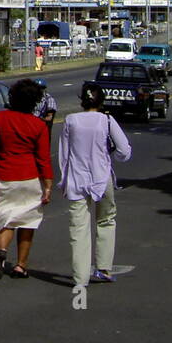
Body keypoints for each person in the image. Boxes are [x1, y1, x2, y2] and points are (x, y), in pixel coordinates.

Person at [58, 85, 132, 287]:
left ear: (82, 100)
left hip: (76, 179)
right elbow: (124, 150)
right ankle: (104, 268)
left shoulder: (70, 120)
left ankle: (80, 278)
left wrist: (64, 181)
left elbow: (64, 155)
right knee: (106, 219)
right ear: (101, 101)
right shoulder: (106, 120)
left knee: (78, 228)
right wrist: (112, 156)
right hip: (102, 177)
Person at [0, 79, 53, 280]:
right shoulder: (39, 125)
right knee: (27, 222)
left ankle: (2, 252)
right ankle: (21, 265)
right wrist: (47, 186)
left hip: (4, 175)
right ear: (35, 101)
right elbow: (43, 159)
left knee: (4, 218)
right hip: (30, 177)